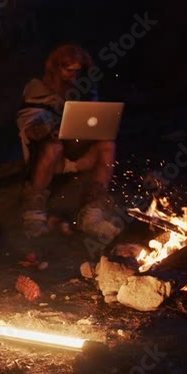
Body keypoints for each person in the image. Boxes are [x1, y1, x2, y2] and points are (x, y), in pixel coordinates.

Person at [16, 43, 123, 242]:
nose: (72, 75)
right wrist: (50, 128)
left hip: (76, 154)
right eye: (68, 70)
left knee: (107, 144)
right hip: (49, 158)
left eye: (77, 71)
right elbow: (28, 128)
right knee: (53, 146)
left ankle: (92, 212)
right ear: (56, 68)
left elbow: (92, 120)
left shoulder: (86, 87)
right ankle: (33, 211)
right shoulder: (37, 87)